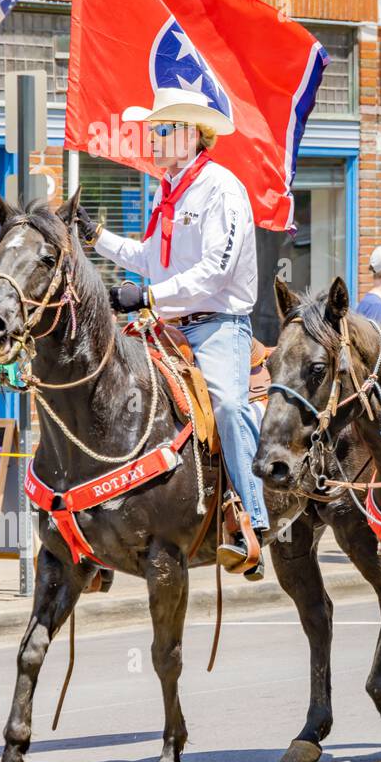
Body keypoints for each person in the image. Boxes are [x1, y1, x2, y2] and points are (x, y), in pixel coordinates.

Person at [76, 88, 267, 576]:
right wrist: (98, 237)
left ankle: (251, 520)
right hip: (166, 324)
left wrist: (148, 297)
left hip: (217, 326)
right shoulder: (170, 190)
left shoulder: (222, 188)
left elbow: (214, 273)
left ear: (189, 134)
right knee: (109, 388)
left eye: (161, 130)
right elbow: (150, 259)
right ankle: (99, 522)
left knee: (227, 404)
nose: (153, 139)